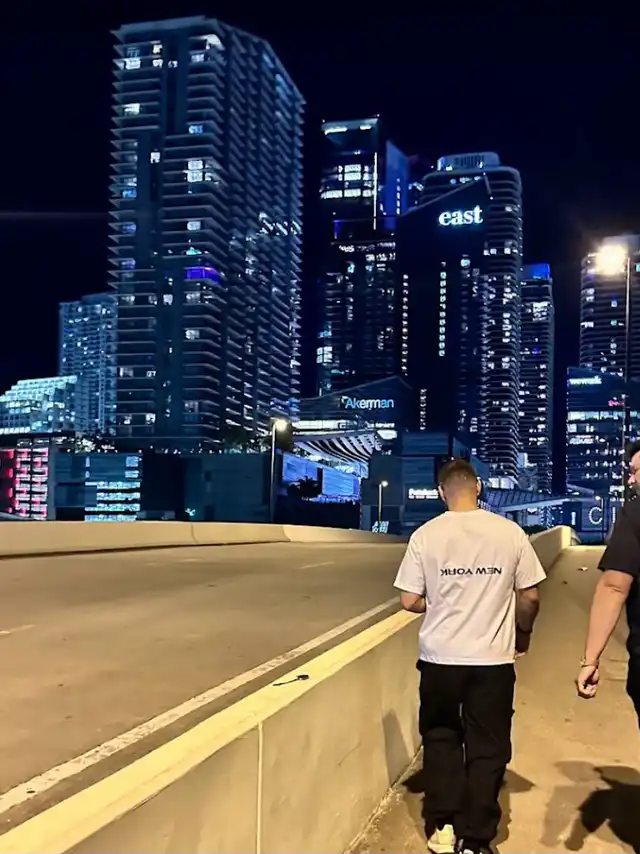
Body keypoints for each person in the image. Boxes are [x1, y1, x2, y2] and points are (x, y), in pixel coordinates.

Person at [394, 458, 546, 854]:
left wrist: (436, 605)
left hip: (440, 660)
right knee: (488, 745)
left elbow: (408, 599)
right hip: (492, 660)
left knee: (441, 737)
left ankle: (443, 826)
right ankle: (476, 838)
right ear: (478, 487)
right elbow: (530, 596)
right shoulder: (510, 533)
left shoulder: (425, 536)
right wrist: (523, 633)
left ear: (441, 492)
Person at [577, 439, 640, 720]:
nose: (630, 480)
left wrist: (590, 660)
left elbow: (614, 586)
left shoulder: (635, 513)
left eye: (635, 471)